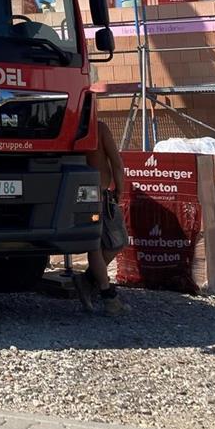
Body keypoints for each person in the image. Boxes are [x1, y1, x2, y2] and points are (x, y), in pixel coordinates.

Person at [73, 120, 129, 316]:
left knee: (100, 242)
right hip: (100, 192)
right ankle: (107, 295)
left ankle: (89, 281)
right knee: (112, 241)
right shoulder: (99, 128)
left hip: (80, 191)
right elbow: (116, 162)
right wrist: (120, 189)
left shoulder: (71, 125)